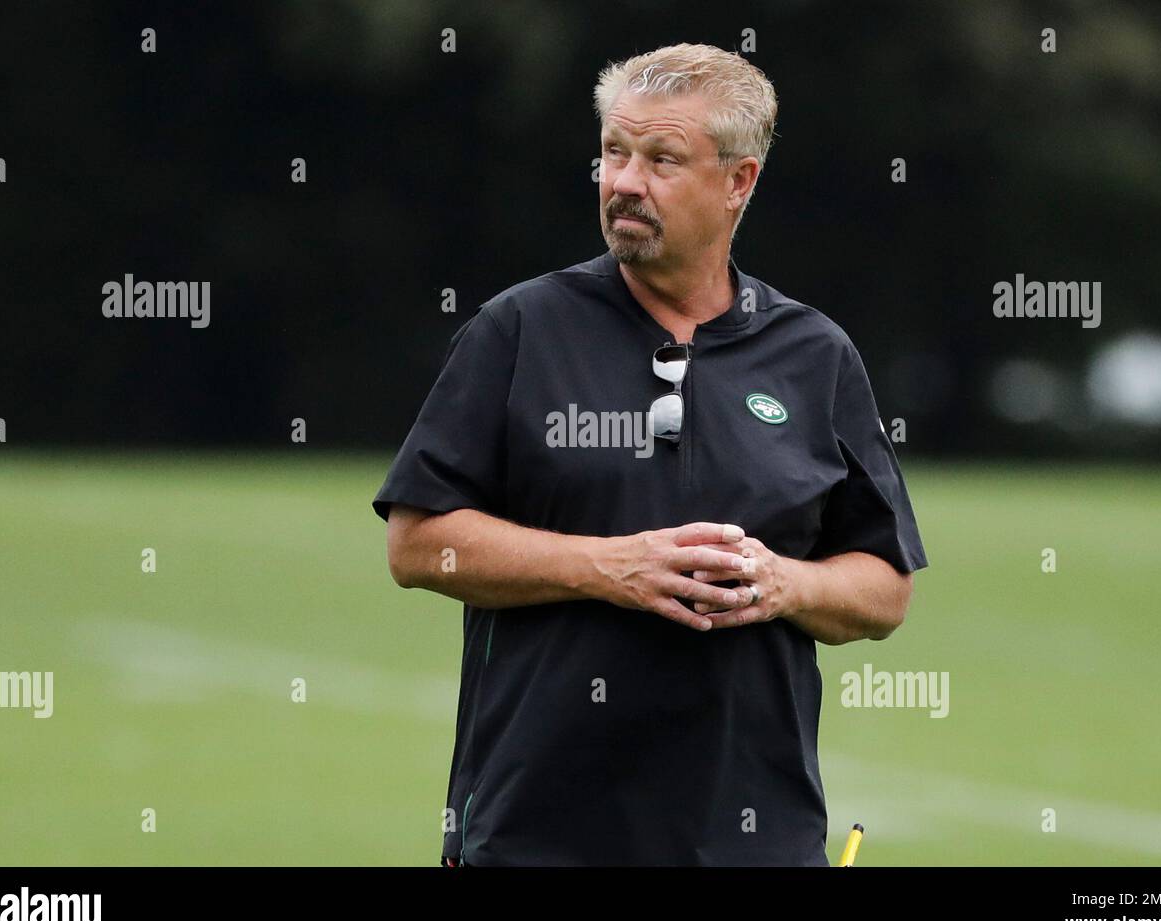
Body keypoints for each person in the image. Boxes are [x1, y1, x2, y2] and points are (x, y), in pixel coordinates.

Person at [373, 43, 927, 866]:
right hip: (538, 838)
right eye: (612, 152)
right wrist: (608, 566)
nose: (624, 181)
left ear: (738, 183)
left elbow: (884, 587)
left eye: (661, 159)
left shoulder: (815, 355)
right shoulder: (519, 330)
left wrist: (788, 583)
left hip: (753, 842)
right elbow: (417, 543)